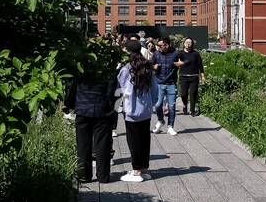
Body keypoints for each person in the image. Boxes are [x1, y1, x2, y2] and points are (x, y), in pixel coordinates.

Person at [64, 58, 118, 185]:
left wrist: (70, 105)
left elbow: (71, 88)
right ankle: (103, 176)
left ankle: (84, 175)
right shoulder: (108, 72)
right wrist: (111, 109)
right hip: (102, 111)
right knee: (102, 145)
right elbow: (113, 92)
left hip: (82, 110)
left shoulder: (79, 71)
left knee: (83, 145)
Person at [116, 39, 155, 182]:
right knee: (145, 139)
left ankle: (136, 170)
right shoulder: (147, 68)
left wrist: (116, 108)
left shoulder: (126, 69)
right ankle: (144, 168)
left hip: (131, 110)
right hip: (146, 110)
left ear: (128, 51)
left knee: (133, 141)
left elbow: (119, 90)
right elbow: (155, 89)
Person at [152, 36, 180, 135]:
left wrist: (181, 64)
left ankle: (170, 127)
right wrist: (154, 67)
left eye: (161, 45)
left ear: (167, 45)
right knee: (158, 104)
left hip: (171, 83)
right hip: (159, 83)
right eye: (158, 45)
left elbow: (184, 61)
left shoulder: (175, 53)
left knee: (172, 106)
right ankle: (160, 120)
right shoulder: (156, 54)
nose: (159, 47)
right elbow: (151, 64)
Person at [175, 38, 205, 115]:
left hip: (194, 77)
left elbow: (200, 66)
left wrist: (202, 76)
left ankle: (192, 110)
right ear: (184, 43)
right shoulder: (180, 53)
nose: (188, 43)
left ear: (192, 44)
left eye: (190, 42)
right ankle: (185, 105)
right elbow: (175, 63)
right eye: (187, 42)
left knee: (193, 93)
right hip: (183, 77)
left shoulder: (196, 54)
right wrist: (179, 63)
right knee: (183, 94)